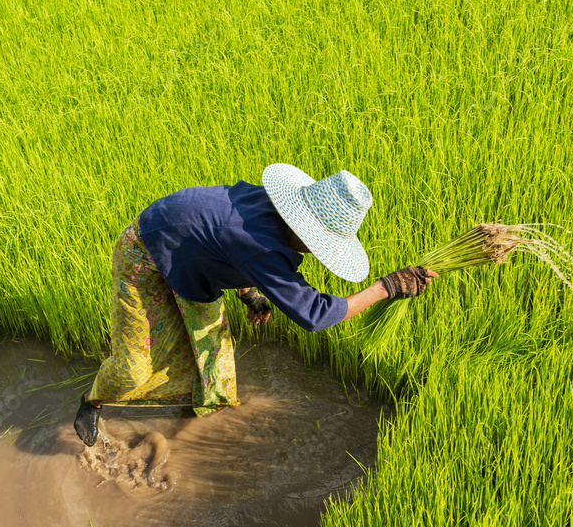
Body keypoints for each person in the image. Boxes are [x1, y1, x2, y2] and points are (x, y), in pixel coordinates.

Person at [74, 163, 437, 446]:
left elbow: (223, 242)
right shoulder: (262, 246)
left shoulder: (270, 213)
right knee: (134, 368)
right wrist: (386, 287)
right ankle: (92, 402)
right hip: (145, 254)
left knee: (215, 361)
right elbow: (315, 315)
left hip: (192, 262)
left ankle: (199, 425)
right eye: (318, 242)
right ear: (300, 225)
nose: (316, 251)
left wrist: (249, 293)